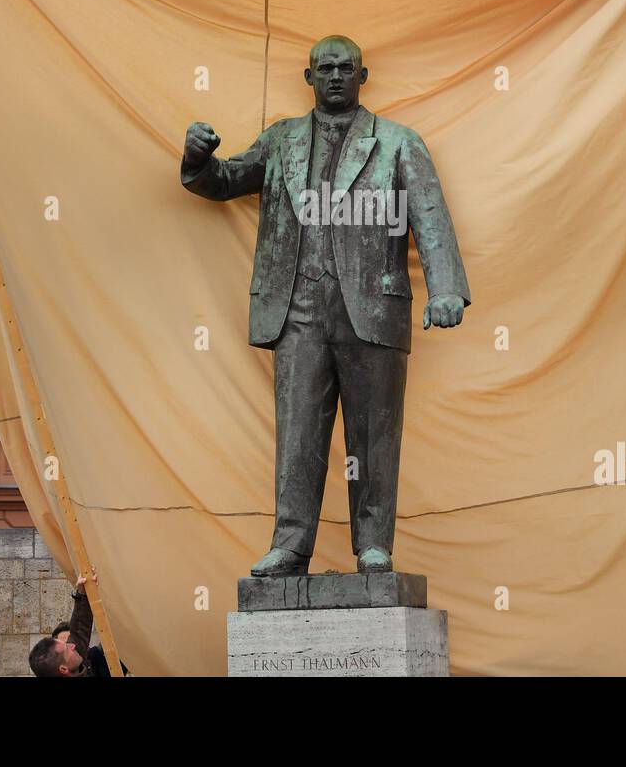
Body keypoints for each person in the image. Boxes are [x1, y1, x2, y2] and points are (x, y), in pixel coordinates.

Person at [181, 35, 470, 577]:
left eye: (346, 68)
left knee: (374, 433)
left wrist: (446, 288)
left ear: (364, 77)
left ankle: (373, 545)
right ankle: (290, 544)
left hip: (373, 309)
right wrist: (199, 157)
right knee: (297, 434)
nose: (336, 75)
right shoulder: (280, 141)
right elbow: (222, 181)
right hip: (297, 312)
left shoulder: (398, 143)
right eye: (325, 68)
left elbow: (429, 214)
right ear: (309, 78)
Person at [28, 569, 111, 677]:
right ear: (63, 669)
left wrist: (83, 592)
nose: (72, 645)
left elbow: (79, 631)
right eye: (67, 648)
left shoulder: (71, 661)